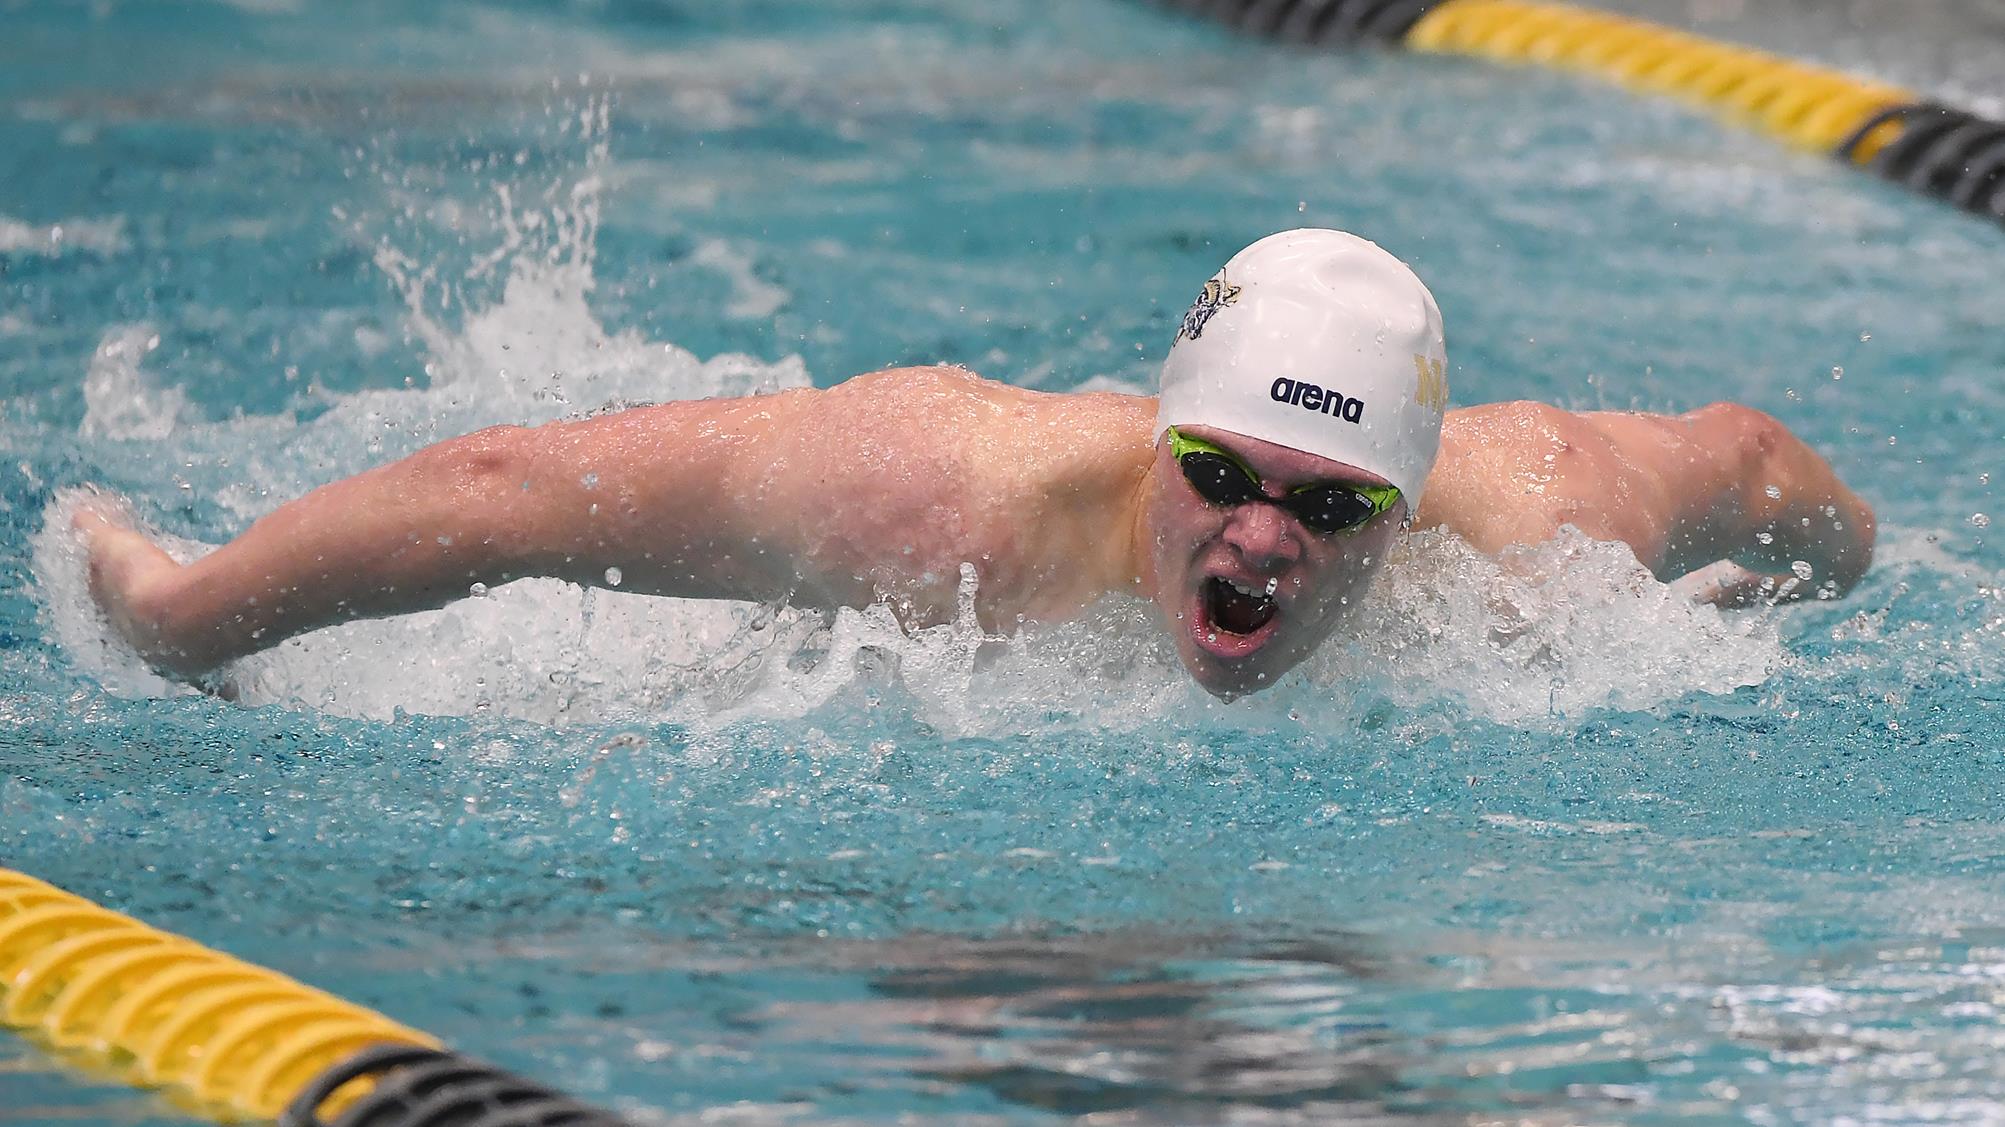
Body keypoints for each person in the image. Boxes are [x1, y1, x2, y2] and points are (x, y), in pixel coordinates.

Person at [75, 229, 1875, 699]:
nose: (1261, 535)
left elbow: (1753, 458)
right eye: (1219, 471)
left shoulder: (1531, 524)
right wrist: (182, 616)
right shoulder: (935, 497)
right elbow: (506, 497)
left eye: (1332, 506)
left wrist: (1803, 595)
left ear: (1402, 508)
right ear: (1155, 430)